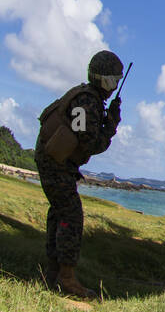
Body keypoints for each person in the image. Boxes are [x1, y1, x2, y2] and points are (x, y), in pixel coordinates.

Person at [35, 50, 123, 299]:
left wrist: (106, 121)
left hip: (54, 161)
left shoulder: (84, 96)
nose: (115, 87)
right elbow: (90, 144)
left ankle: (53, 273)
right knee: (71, 216)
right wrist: (111, 125)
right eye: (114, 81)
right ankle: (66, 278)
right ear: (106, 80)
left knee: (59, 214)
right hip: (56, 164)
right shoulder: (88, 102)